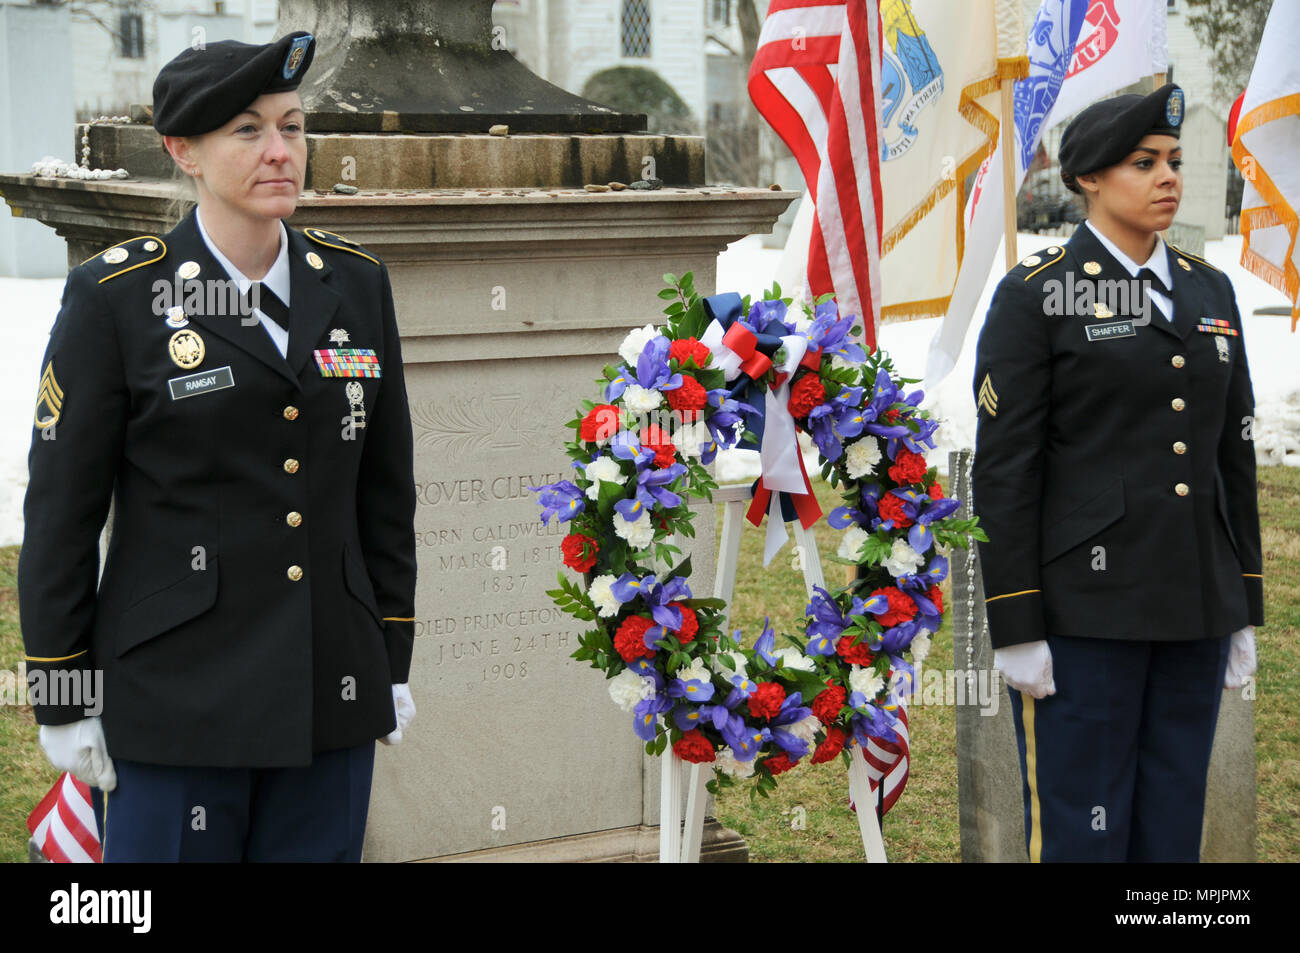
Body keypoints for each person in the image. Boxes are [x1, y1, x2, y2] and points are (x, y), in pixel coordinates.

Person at [18, 32, 418, 862]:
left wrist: (390, 655)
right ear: (183, 151)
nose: (281, 152)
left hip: (327, 689)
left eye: (294, 126)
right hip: (175, 702)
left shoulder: (356, 284)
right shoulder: (117, 297)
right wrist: (61, 693)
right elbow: (60, 513)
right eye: (247, 130)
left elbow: (385, 492)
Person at [972, 83, 1262, 863]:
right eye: (1143, 162)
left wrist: (1243, 601)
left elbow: (1231, 454)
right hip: (1086, 618)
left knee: (1172, 834)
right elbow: (1006, 472)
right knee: (1087, 833)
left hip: (1194, 608)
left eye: (1173, 159)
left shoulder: (1211, 289)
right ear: (1088, 179)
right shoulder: (1038, 298)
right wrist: (1017, 623)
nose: (1168, 175)